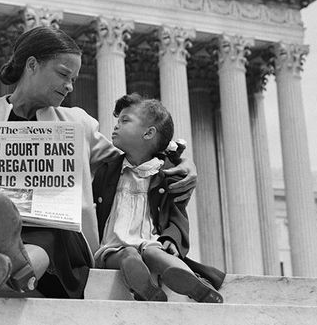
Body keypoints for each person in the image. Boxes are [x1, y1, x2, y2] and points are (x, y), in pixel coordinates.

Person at [0, 26, 197, 298]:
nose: (69, 86)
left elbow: (132, 161)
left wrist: (176, 161)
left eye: (74, 79)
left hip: (54, 229)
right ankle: (13, 266)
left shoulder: (78, 123)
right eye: (63, 74)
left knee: (53, 233)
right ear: (32, 65)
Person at [93, 93, 224, 303]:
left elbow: (176, 213)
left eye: (125, 121)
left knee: (156, 254)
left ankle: (195, 284)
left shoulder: (166, 174)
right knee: (126, 255)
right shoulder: (106, 169)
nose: (116, 126)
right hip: (113, 244)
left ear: (148, 133)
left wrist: (172, 239)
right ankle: (144, 286)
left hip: (150, 240)